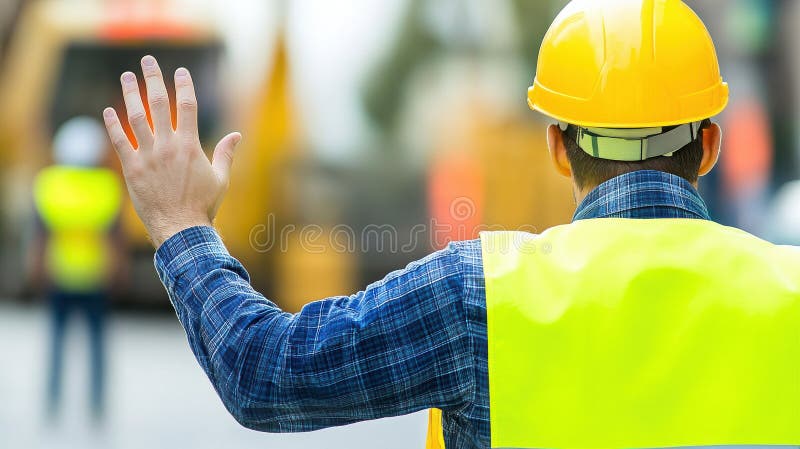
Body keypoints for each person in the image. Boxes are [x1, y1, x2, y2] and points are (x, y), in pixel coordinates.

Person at [101, 1, 800, 448]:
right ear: (710, 145)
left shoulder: (477, 295)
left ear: (558, 148)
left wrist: (180, 222)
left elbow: (266, 372)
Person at [32, 116, 124, 423]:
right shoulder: (106, 186)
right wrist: (118, 272)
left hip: (59, 275)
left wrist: (36, 269)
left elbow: (40, 235)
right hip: (95, 277)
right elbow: (115, 238)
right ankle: (97, 405)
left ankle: (53, 402)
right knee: (96, 344)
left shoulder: (49, 183)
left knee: (57, 342)